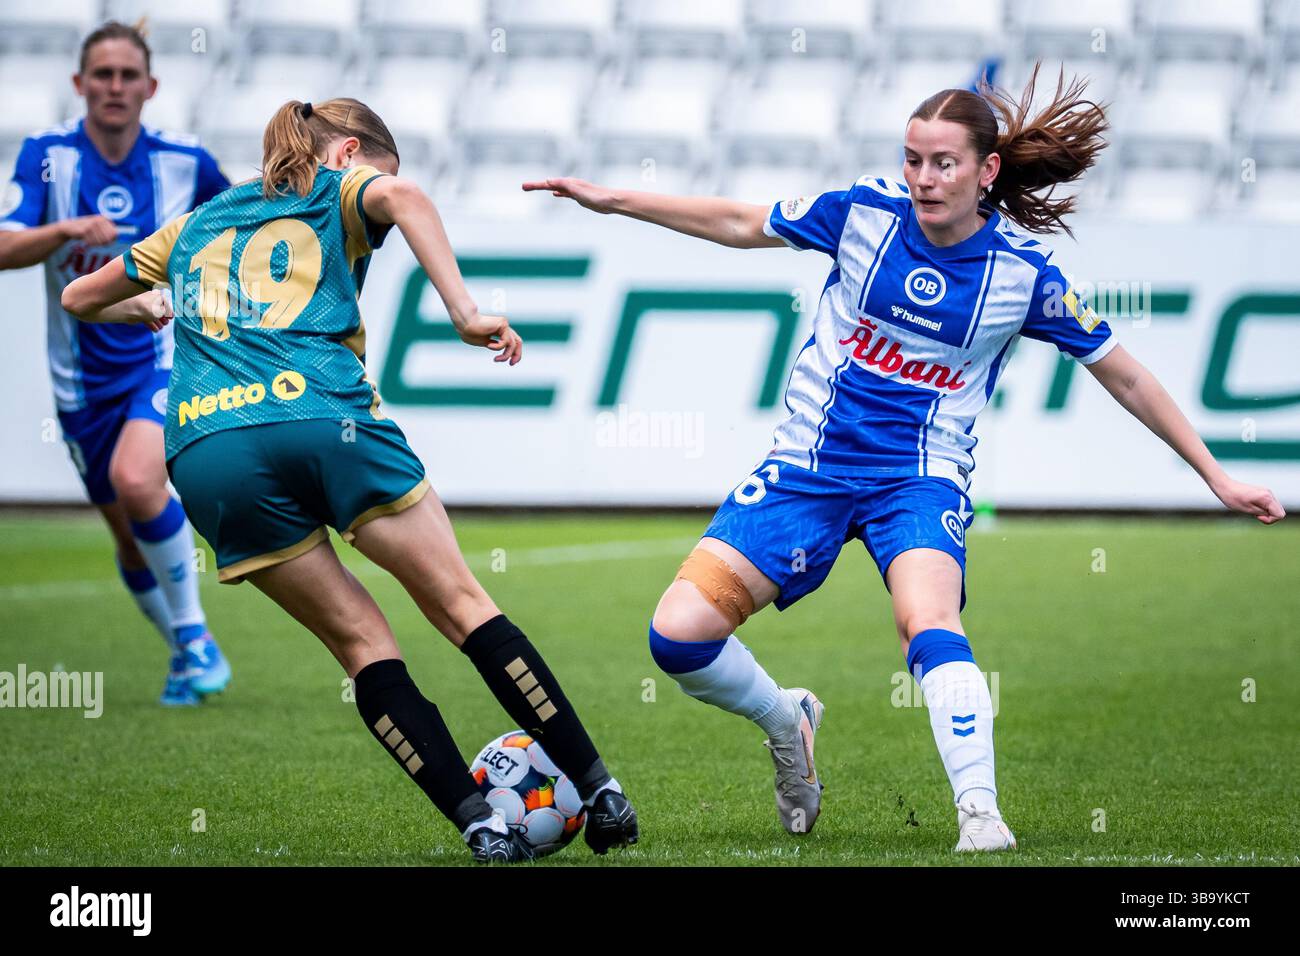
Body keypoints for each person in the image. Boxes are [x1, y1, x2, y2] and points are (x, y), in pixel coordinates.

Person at [523, 66, 1286, 851]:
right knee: (677, 639)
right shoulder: (861, 212)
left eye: (943, 162)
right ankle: (788, 719)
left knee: (927, 621)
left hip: (918, 479)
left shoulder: (1021, 276)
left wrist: (1216, 474)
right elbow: (739, 220)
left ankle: (980, 814)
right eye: (913, 159)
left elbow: (1124, 372)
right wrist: (615, 198)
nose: (923, 177)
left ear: (986, 171)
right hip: (809, 468)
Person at [62, 97, 638, 863]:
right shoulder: (343, 185)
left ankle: (481, 825)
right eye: (372, 166)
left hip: (208, 449)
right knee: (464, 606)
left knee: (364, 646)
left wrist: (140, 310)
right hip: (320, 417)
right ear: (348, 153)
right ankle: (601, 792)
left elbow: (77, 297)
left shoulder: (194, 223)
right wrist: (466, 313)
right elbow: (401, 195)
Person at [0, 21, 231, 706]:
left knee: (139, 481)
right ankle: (186, 657)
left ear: (151, 87)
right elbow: (6, 246)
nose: (115, 87)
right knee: (129, 538)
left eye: (129, 75)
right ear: (79, 84)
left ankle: (195, 638)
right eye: (102, 74)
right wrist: (64, 231)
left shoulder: (185, 161)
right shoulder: (47, 157)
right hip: (78, 387)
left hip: (159, 361)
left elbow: (243, 226)